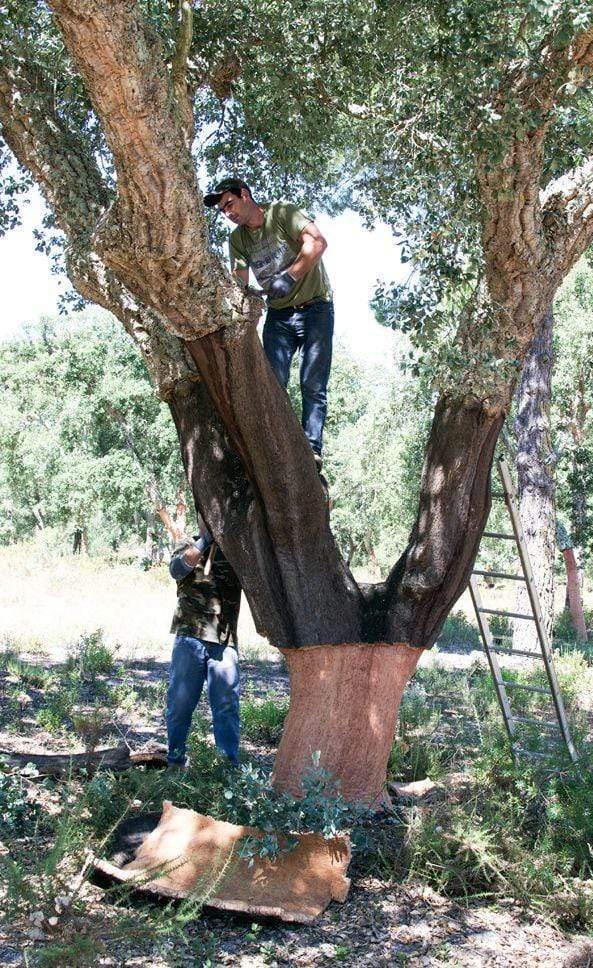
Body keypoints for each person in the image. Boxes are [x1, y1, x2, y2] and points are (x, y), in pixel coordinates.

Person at [204, 177, 334, 470]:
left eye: (230, 203)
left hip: (316, 310)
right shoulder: (237, 240)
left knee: (312, 384)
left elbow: (318, 243)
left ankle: (312, 451)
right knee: (272, 382)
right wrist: (244, 304)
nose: (228, 212)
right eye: (223, 210)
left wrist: (289, 277)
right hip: (279, 317)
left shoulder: (282, 213)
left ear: (245, 195)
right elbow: (239, 282)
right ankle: (281, 449)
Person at [165, 522, 242, 768]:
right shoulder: (187, 544)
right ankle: (175, 762)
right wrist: (205, 540)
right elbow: (177, 570)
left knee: (227, 706)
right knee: (179, 705)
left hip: (224, 642)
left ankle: (227, 769)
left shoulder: (237, 550)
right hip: (189, 638)